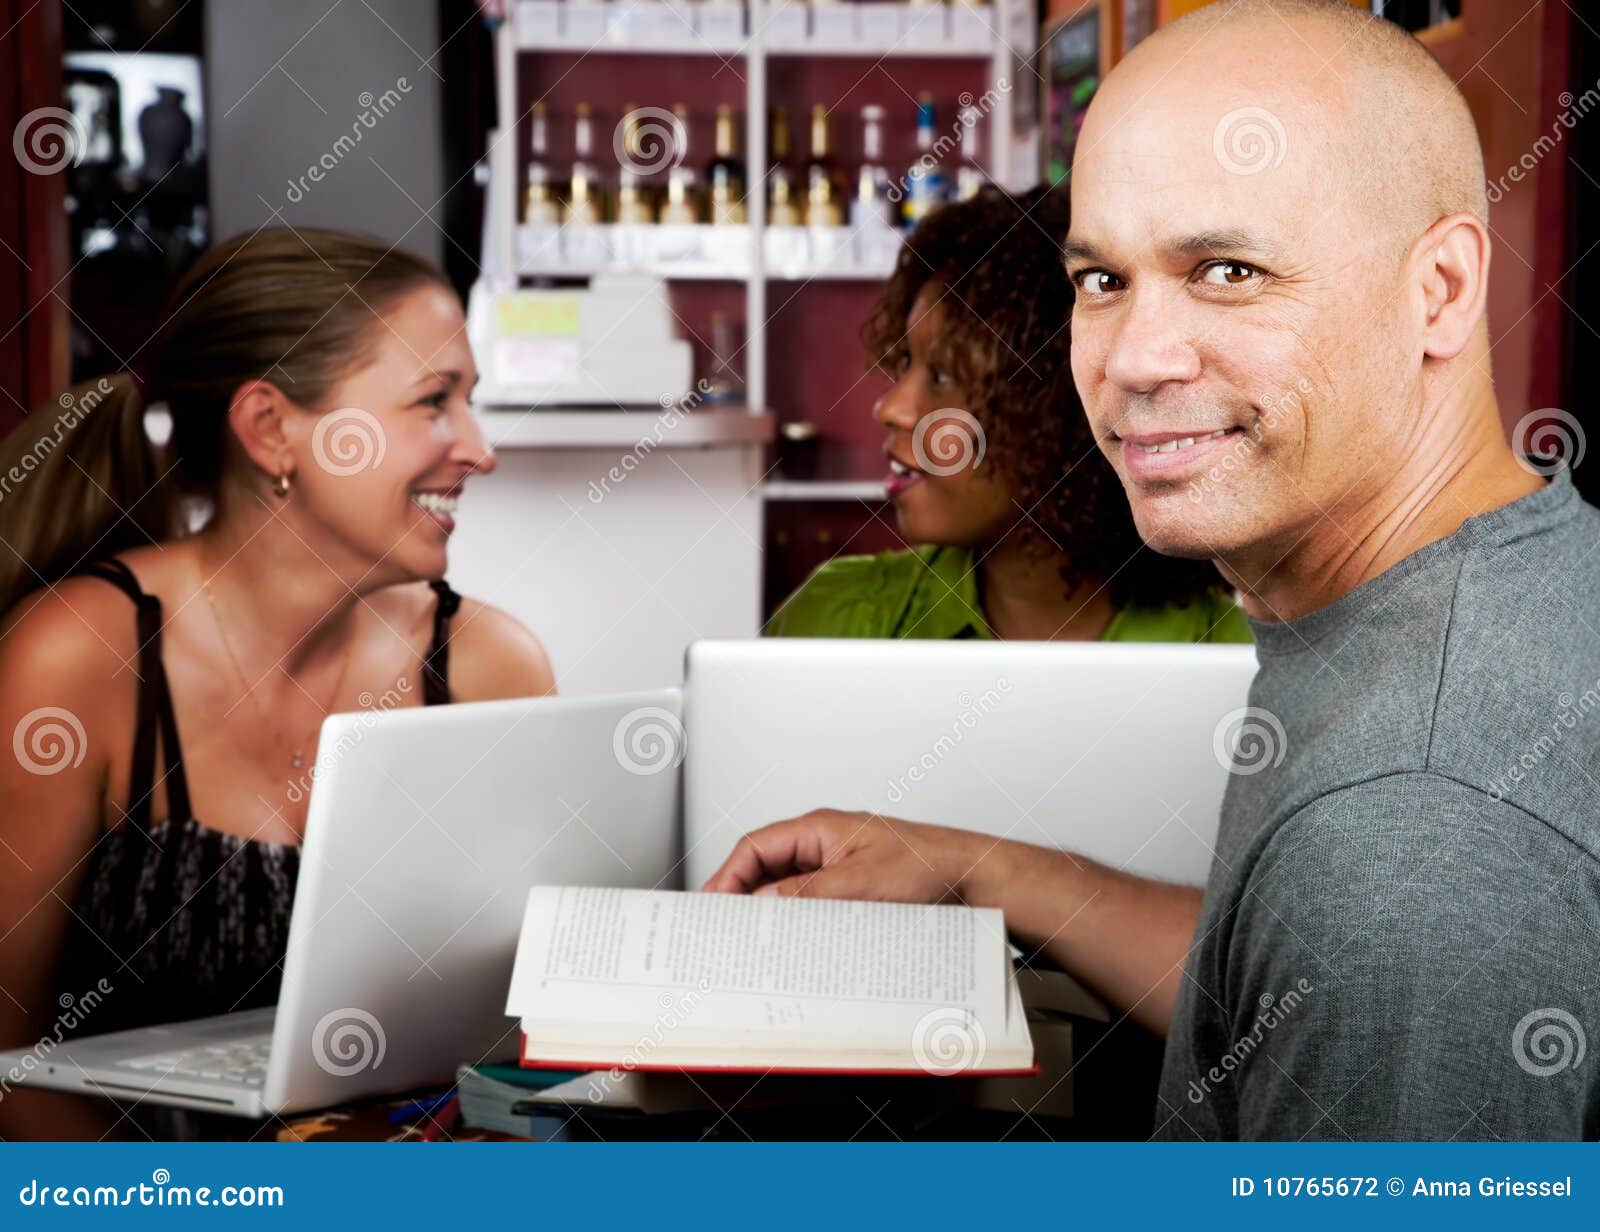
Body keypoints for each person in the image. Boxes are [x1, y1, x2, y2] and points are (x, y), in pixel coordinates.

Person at [708, 0, 1600, 1140]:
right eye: (1100, 281)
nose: (1131, 359)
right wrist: (977, 866)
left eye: (1227, 269)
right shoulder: (1499, 589)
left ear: (1439, 289)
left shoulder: (1411, 832)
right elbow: (1292, 994)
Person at [0, 228, 555, 1139]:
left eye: (471, 402)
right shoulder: (78, 659)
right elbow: (8, 1063)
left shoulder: (491, 668)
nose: (478, 449)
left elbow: (534, 1036)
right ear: (270, 429)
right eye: (433, 401)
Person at [767, 188, 1248, 644]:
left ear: (1063, 408)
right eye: (906, 363)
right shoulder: (834, 618)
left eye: (944, 376)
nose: (890, 409)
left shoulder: (1233, 655)